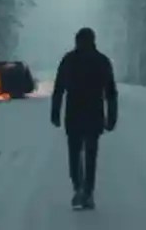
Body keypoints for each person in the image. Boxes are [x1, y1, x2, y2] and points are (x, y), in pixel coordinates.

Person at [51, 27, 118, 210]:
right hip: (94, 114)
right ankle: (87, 191)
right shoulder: (102, 61)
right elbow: (111, 92)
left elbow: (59, 88)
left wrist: (55, 112)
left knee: (74, 154)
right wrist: (112, 117)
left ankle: (78, 186)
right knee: (90, 155)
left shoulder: (69, 60)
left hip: (73, 114)